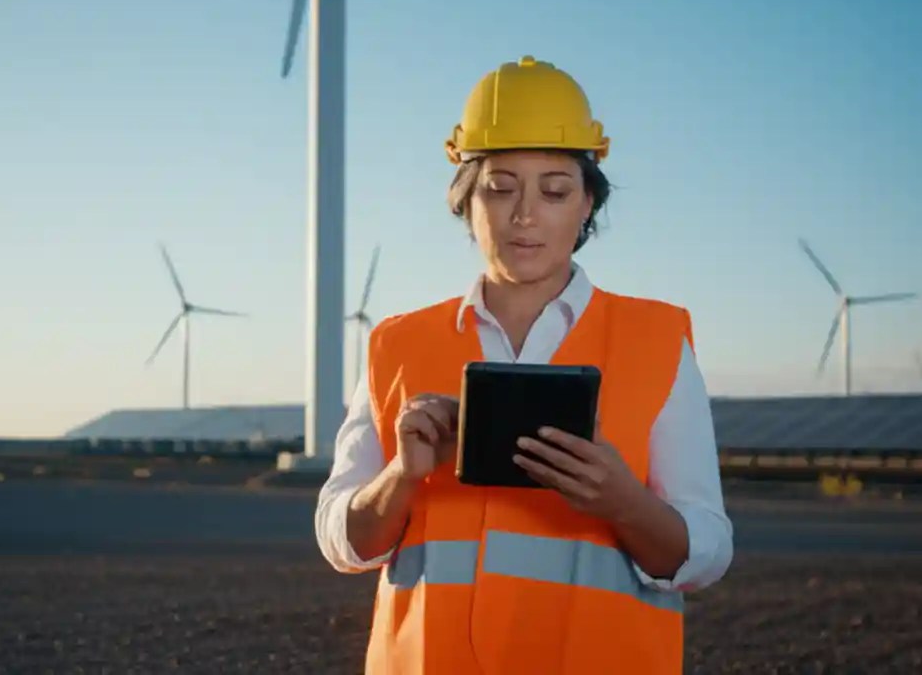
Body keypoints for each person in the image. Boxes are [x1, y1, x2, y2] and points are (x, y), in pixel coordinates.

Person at [314, 55, 733, 674]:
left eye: (555, 190)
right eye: (500, 187)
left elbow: (708, 552)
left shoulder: (656, 338)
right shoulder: (397, 344)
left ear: (588, 202)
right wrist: (402, 476)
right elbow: (342, 543)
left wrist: (623, 501)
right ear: (466, 201)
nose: (525, 214)